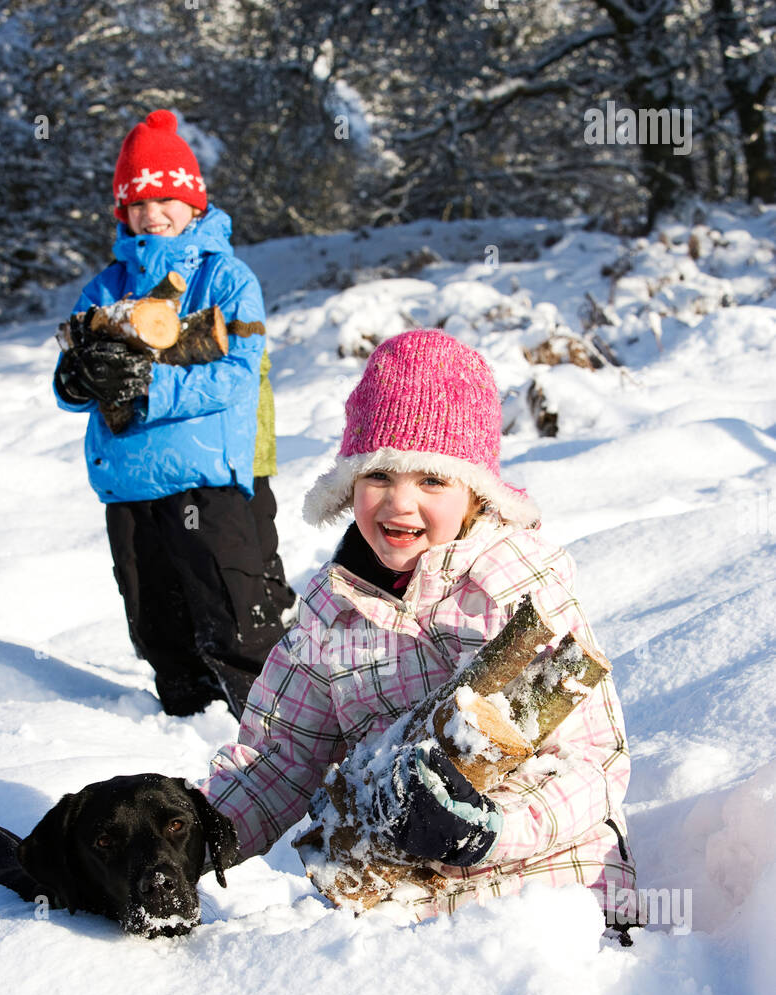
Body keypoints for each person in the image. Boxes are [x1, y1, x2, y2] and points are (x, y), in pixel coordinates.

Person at [197, 329, 637, 923]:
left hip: (553, 899)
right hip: (396, 907)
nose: (399, 504)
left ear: (475, 494)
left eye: (431, 480)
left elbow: (596, 765)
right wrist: (186, 837)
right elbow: (279, 758)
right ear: (350, 485)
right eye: (379, 476)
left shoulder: (517, 591)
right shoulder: (333, 611)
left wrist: (492, 832)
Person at [53, 109, 294, 719]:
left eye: (166, 198)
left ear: (193, 202)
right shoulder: (106, 288)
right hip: (128, 485)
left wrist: (148, 388)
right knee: (157, 625)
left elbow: (237, 376)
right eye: (138, 203)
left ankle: (272, 738)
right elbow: (74, 373)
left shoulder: (225, 278)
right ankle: (180, 728)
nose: (152, 213)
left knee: (236, 619)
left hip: (204, 481)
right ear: (122, 212)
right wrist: (76, 379)